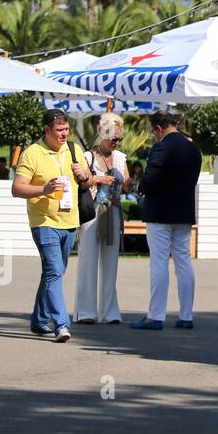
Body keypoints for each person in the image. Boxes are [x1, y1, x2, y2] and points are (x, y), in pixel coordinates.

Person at [13, 109, 92, 341]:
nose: (64, 134)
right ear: (46, 130)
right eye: (59, 130)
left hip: (70, 221)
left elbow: (88, 183)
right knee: (54, 272)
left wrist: (84, 176)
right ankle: (61, 325)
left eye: (66, 129)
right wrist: (43, 189)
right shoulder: (32, 153)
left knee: (52, 274)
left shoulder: (74, 149)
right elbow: (17, 188)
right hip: (43, 221)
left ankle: (38, 320)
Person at [131, 111, 202, 330]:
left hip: (160, 212)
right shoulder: (193, 148)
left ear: (158, 129)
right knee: (183, 261)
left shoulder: (161, 147)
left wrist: (140, 188)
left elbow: (151, 178)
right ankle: (186, 315)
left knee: (159, 261)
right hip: (183, 211)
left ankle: (156, 315)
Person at [75, 112, 127, 324]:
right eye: (113, 137)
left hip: (112, 209)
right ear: (102, 134)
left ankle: (110, 311)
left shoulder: (121, 157)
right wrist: (98, 178)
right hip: (92, 210)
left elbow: (127, 181)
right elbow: (80, 181)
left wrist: (121, 180)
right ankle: (86, 311)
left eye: (119, 138)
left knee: (111, 261)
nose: (116, 142)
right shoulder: (88, 157)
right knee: (88, 260)